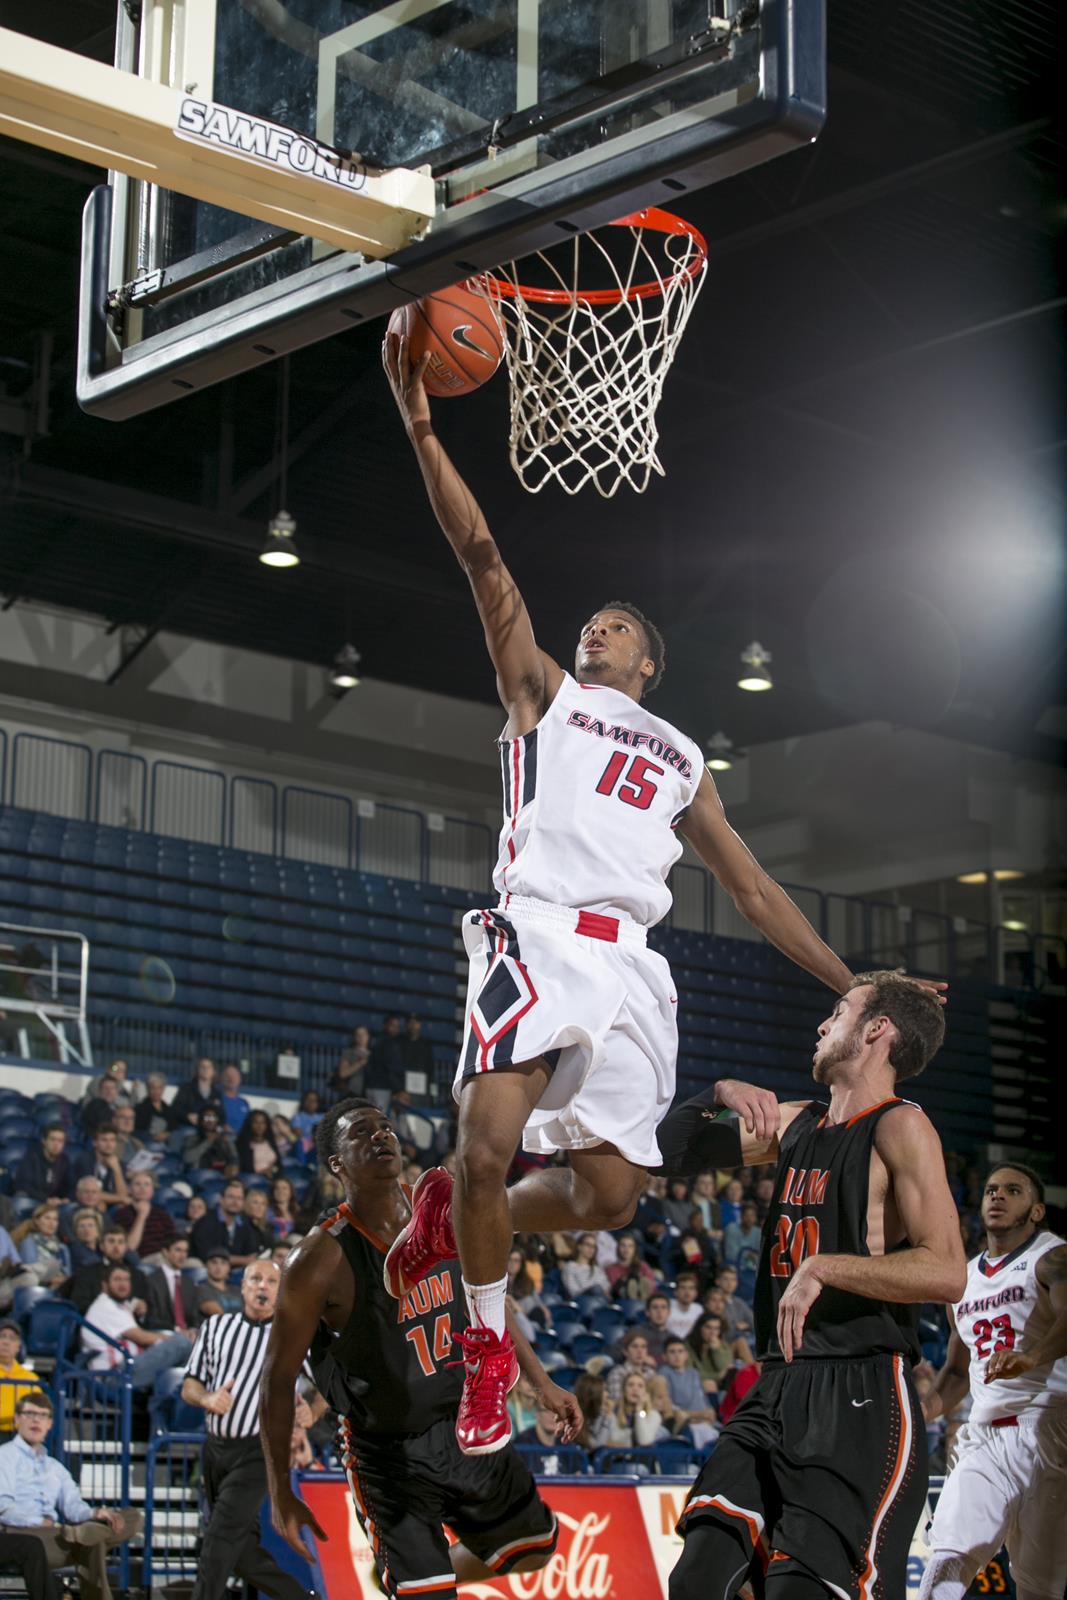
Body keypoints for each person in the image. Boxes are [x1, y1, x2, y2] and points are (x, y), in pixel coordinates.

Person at [381, 329, 872, 1454]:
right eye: (589, 623)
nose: (594, 627)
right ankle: (487, 1351)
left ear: (649, 664)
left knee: (611, 1197)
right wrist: (418, 419)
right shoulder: (542, 693)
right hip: (538, 935)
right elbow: (482, 558)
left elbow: (748, 888)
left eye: (617, 627)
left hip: (632, 970)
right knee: (486, 1144)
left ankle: (449, 1224)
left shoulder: (681, 755)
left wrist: (858, 980)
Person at [669, 972, 965, 1600]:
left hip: (860, 1389)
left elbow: (946, 1270)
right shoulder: (796, 1124)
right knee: (698, 1578)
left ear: (877, 1030)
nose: (822, 1025)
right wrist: (718, 1089)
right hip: (778, 1382)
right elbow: (667, 1151)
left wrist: (824, 1266)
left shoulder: (900, 1126)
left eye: (839, 1011)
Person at [260, 1097, 575, 1600]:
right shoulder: (318, 1259)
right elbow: (276, 1380)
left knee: (536, 1545)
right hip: (389, 1452)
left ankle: (433, 1573)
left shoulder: (449, 1207)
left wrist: (541, 1382)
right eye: (362, 1132)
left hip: (461, 1425)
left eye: (385, 1127)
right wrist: (279, 1491)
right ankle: (420, 1581)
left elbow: (490, 1299)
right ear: (336, 1164)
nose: (381, 1135)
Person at [919, 1163, 1067, 1600]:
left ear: (1036, 1211)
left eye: (1012, 1190)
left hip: (1049, 1430)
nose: (997, 1196)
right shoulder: (961, 1281)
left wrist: (1033, 1357)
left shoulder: (1053, 1257)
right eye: (990, 1189)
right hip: (985, 1435)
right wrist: (917, 1411)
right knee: (949, 1554)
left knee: (1039, 1587)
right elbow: (958, 1371)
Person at [177, 1259, 312, 1600]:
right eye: (256, 1279)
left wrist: (315, 1409)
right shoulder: (216, 1327)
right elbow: (189, 1384)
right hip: (215, 1448)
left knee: (219, 1537)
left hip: (259, 1450)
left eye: (270, 1281)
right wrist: (207, 1398)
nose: (262, 1286)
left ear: (280, 1291)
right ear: (243, 1286)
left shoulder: (293, 1333)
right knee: (242, 1554)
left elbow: (325, 1384)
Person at [0, 1391, 140, 1600]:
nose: (36, 1419)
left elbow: (73, 1506)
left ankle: (85, 1532)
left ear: (50, 1424)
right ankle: (85, 1533)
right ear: (17, 1419)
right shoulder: (5, 1456)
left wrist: (95, 1512)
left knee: (133, 1517)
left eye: (43, 1415)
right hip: (22, 1535)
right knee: (93, 1543)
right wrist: (40, 1522)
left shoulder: (55, 1467)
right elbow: (4, 1508)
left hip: (58, 1538)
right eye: (29, 1414)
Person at [82, 1263, 193, 1387]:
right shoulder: (105, 1306)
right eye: (117, 1279)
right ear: (104, 1285)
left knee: (178, 1348)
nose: (123, 1284)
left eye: (126, 1279)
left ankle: (169, 1400)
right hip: (113, 1375)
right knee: (183, 1344)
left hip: (125, 1368)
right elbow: (143, 1338)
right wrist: (175, 1339)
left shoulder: (120, 1305)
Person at [69, 1226, 150, 1317]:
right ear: (102, 1246)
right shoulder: (86, 1273)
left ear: (126, 1247)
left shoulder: (138, 1275)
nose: (116, 1246)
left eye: (120, 1242)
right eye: (111, 1241)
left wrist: (143, 1307)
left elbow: (149, 1305)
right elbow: (80, 1304)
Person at [655, 1336, 719, 1449]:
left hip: (706, 1422)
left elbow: (705, 1405)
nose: (677, 1355)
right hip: (685, 1426)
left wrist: (707, 1414)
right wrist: (698, 1415)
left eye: (680, 1351)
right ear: (664, 1357)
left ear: (686, 1355)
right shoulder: (663, 1374)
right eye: (672, 1352)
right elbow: (673, 1411)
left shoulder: (694, 1373)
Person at [110, 1170, 177, 1262]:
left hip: (167, 1257)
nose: (142, 1188)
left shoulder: (162, 1214)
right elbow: (130, 1246)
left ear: (152, 1190)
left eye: (147, 1184)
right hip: (142, 1260)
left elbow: (173, 1240)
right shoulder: (121, 1214)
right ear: (129, 1189)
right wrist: (141, 1216)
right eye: (137, 1184)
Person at [191, 1180, 260, 1266]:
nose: (235, 1202)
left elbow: (251, 1253)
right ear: (221, 1199)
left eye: (239, 1198)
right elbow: (208, 1255)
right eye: (231, 1197)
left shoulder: (246, 1224)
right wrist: (243, 1260)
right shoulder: (205, 1222)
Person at [143, 1236, 201, 1332]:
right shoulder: (152, 1280)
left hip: (188, 1333)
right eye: (178, 1250)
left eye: (185, 1251)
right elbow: (152, 1318)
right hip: (164, 1332)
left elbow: (194, 1316)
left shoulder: (189, 1282)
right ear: (165, 1252)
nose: (183, 1256)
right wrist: (177, 1329)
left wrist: (192, 1330)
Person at [14, 1204, 70, 1290]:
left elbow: (68, 1274)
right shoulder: (29, 1242)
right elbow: (31, 1270)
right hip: (37, 1286)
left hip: (61, 1287)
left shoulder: (62, 1248)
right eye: (47, 1218)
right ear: (37, 1221)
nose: (52, 1223)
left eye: (55, 1219)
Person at [70, 1127, 128, 1207]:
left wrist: (117, 1170)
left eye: (112, 1140)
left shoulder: (120, 1164)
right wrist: (120, 1198)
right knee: (99, 1205)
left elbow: (123, 1194)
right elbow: (89, 1193)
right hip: (81, 1203)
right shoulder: (84, 1161)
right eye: (104, 1140)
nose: (109, 1144)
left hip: (111, 1206)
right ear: (95, 1143)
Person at [0, 1320, 37, 1441]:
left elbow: (37, 1411)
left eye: (12, 1338)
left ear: (18, 1346)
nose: (6, 1342)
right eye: (2, 1336)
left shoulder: (30, 1378)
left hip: (21, 1435)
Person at [13, 1125, 71, 1203]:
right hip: (35, 1200)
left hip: (55, 1203)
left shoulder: (64, 1160)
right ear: (44, 1141)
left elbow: (69, 1185)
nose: (56, 1144)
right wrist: (45, 1199)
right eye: (52, 1139)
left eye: (60, 1141)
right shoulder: (32, 1157)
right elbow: (23, 1185)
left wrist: (65, 1199)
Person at [608, 1372, 668, 1447]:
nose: (635, 1389)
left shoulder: (653, 1415)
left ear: (646, 1393)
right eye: (630, 1385)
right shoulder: (614, 1413)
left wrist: (639, 1410)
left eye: (640, 1386)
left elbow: (644, 1441)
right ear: (624, 1391)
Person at [182, 1107, 238, 1176]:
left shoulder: (225, 1140)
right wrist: (208, 1142)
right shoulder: (192, 1139)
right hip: (199, 1175)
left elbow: (234, 1159)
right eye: (206, 1118)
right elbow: (188, 1158)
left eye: (213, 1118)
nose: (210, 1121)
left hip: (221, 1176)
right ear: (201, 1120)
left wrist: (227, 1144)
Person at [606, 1232, 659, 1303]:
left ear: (635, 1249)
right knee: (627, 1283)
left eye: (630, 1246)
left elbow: (653, 1288)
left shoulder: (643, 1266)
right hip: (622, 1300)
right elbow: (613, 1291)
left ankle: (640, 1298)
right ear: (618, 1248)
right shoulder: (611, 1269)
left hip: (645, 1299)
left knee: (643, 1280)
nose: (626, 1249)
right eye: (623, 1245)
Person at [172, 1058, 222, 1127]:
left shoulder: (217, 1093)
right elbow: (175, 1108)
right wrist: (187, 1116)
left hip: (208, 1131)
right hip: (188, 1127)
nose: (205, 1069)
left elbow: (222, 1115)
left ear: (213, 1071)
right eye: (202, 1067)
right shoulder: (186, 1089)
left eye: (208, 1067)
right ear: (197, 1070)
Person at [195, 1249, 244, 1318]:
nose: (218, 1267)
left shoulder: (237, 1290)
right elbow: (217, 1313)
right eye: (214, 1262)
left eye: (223, 1263)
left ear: (229, 1267)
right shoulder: (201, 1289)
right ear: (206, 1266)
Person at [134, 1073, 181, 1140]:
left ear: (163, 1089)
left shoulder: (169, 1109)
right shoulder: (140, 1109)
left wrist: (167, 1134)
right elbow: (139, 1131)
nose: (156, 1091)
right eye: (153, 1088)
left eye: (159, 1088)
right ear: (147, 1089)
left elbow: (174, 1127)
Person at [234, 1110, 280, 1179]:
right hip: (252, 1180)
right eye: (256, 1122)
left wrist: (272, 1170)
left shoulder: (271, 1142)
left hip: (271, 1178)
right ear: (250, 1124)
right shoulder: (242, 1144)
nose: (260, 1126)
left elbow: (278, 1165)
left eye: (263, 1123)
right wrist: (262, 1173)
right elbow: (243, 1167)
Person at [667, 1270, 704, 1339]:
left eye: (691, 1288)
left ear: (696, 1293)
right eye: (683, 1288)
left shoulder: (699, 1309)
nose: (687, 1292)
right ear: (675, 1292)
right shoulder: (667, 1306)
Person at [218, 1064, 251, 1135]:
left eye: (234, 1076)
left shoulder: (244, 1103)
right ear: (222, 1079)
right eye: (228, 1076)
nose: (231, 1079)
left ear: (239, 1079)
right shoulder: (217, 1100)